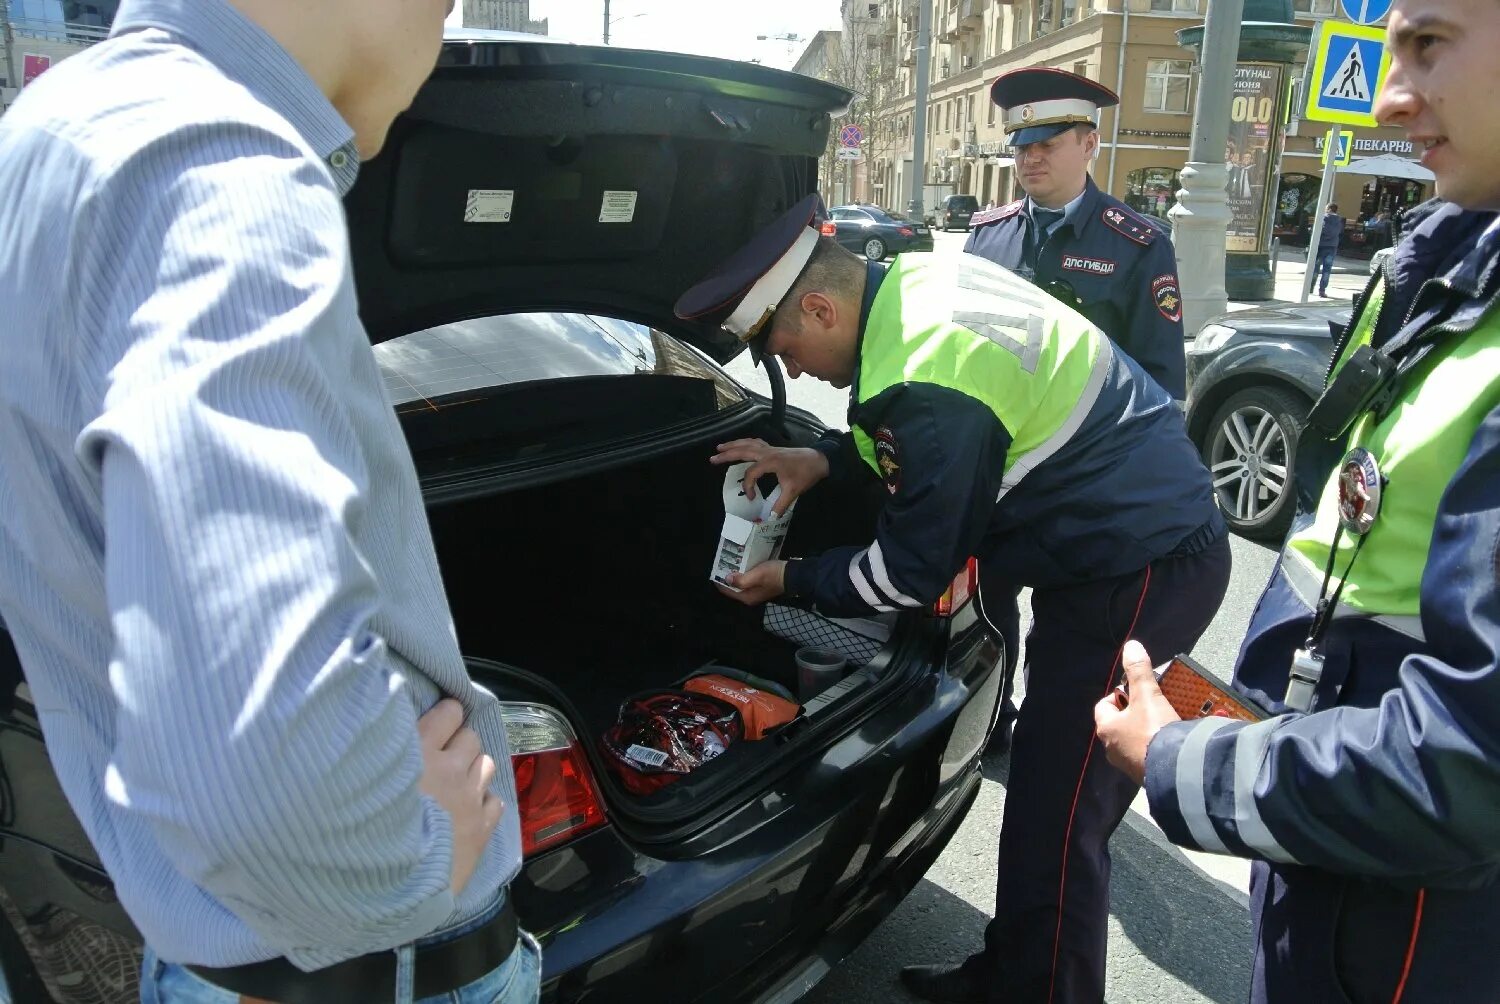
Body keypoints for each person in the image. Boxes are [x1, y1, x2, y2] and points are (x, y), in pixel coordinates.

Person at [0, 1, 540, 1001]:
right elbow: (256, 754)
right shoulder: (215, 160)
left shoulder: (46, 135)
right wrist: (402, 867)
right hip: (372, 967)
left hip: (218, 947)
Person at [677, 194, 1231, 1004]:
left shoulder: (928, 376)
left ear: (822, 306)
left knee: (1059, 806)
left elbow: (907, 573)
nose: (791, 369)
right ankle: (1015, 972)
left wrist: (789, 579)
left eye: (783, 346)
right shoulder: (911, 286)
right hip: (1111, 547)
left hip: (1142, 565)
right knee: (1047, 787)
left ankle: (1042, 993)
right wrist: (823, 459)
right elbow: (924, 447)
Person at [1094, 0, 1500, 998]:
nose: (1391, 97)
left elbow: (1474, 763)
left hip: (1414, 918)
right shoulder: (1449, 263)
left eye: (1430, 42)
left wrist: (1187, 761)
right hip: (1340, 845)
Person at [965, 68, 1187, 402]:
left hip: (1087, 444)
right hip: (992, 435)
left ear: (1089, 144)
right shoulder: (987, 237)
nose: (1031, 158)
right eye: (1021, 146)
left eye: (1047, 143)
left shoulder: (1138, 245)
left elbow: (1159, 380)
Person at [1316, 202, 1345, 296]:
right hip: (1332, 246)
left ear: (1328, 209)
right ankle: (1322, 290)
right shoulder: (1339, 220)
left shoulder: (1323, 217)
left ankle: (1310, 286)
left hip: (1321, 245)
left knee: (1315, 267)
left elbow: (1320, 230)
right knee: (1327, 269)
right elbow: (1338, 232)